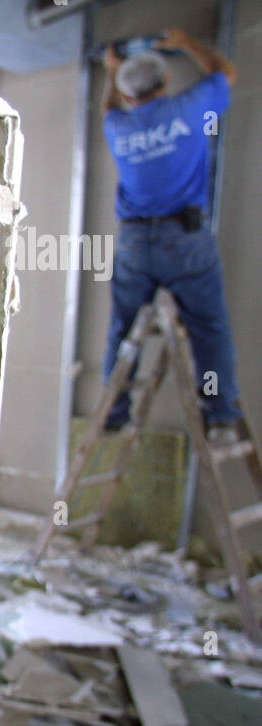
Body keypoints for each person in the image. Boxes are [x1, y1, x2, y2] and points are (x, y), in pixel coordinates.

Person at [100, 28, 241, 440]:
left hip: (134, 244)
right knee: (208, 329)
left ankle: (114, 412)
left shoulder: (118, 128)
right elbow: (225, 72)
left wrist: (112, 71)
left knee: (123, 332)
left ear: (128, 96)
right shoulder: (192, 108)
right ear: (164, 84)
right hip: (186, 240)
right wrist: (188, 43)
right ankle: (220, 416)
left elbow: (109, 107)